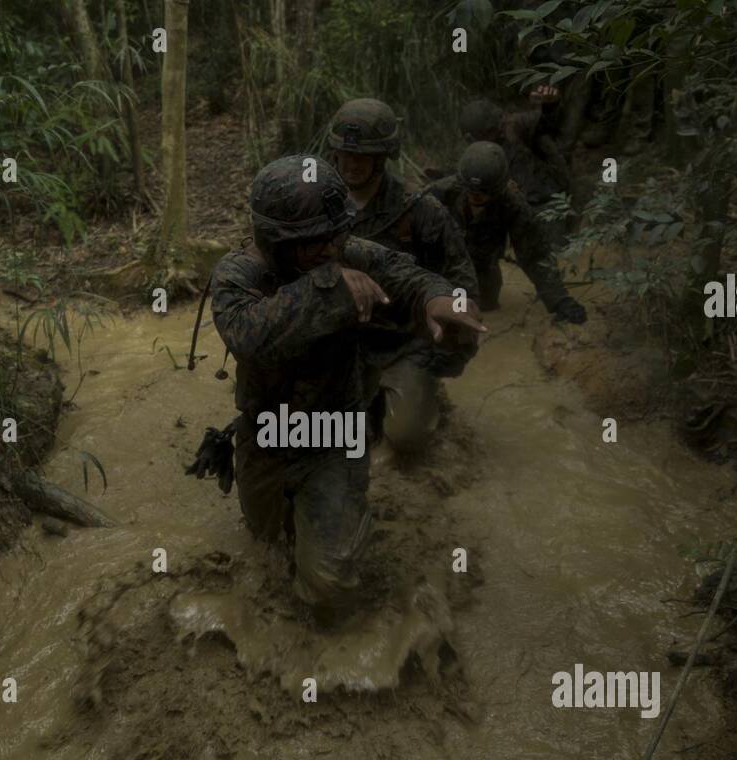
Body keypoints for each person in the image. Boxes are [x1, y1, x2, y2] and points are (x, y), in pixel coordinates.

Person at [209, 156, 485, 619]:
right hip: (266, 434)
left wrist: (442, 300)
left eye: (336, 236)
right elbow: (251, 336)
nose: (330, 249)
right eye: (314, 243)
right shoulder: (238, 276)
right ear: (276, 241)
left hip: (335, 433)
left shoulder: (345, 251)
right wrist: (329, 286)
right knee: (264, 541)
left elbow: (408, 276)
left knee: (332, 586)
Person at [326, 97, 481, 454]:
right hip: (337, 341)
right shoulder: (317, 203)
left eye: (362, 155)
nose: (351, 163)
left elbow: (462, 288)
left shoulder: (420, 209)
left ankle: (421, 393)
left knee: (408, 439)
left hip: (403, 345)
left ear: (382, 157)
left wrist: (439, 356)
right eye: (345, 154)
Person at [426, 141, 586, 324]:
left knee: (483, 305)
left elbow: (534, 255)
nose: (476, 195)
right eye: (471, 190)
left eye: (484, 191)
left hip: (482, 269)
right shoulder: (440, 193)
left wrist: (559, 300)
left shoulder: (513, 205)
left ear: (498, 188)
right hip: (441, 264)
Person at [459, 92, 573, 248]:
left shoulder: (514, 126)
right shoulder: (479, 153)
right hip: (514, 204)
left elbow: (547, 122)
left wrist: (550, 106)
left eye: (499, 122)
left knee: (552, 250)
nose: (500, 128)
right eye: (492, 129)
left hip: (544, 198)